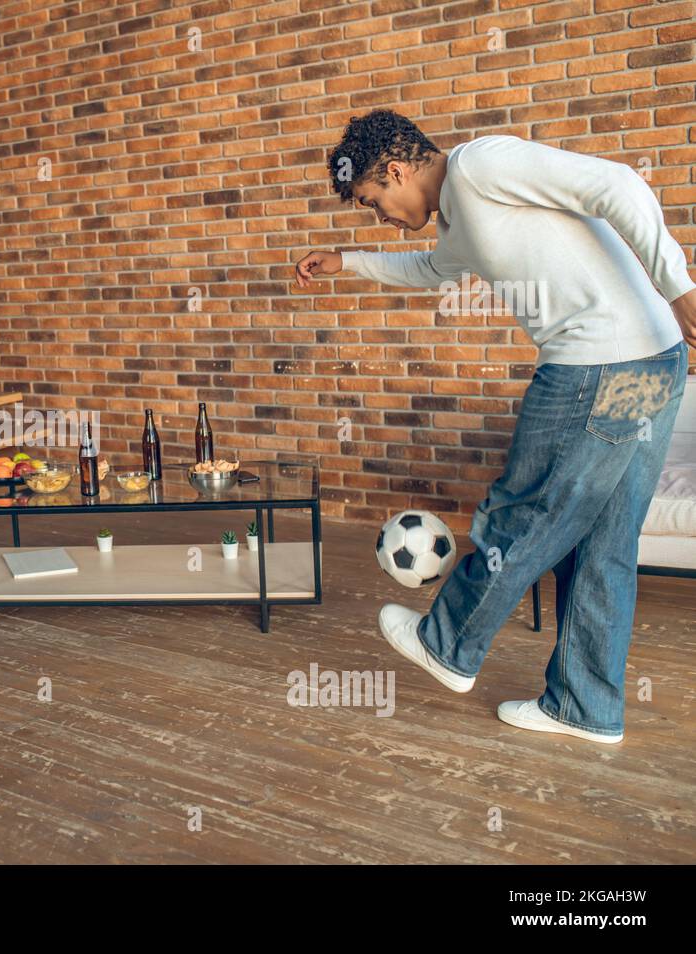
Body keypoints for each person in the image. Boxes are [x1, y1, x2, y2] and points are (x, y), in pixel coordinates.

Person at [295, 109, 696, 743]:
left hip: (595, 367)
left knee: (525, 513)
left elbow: (619, 185)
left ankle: (447, 644)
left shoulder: (482, 166)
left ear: (396, 171)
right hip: (654, 360)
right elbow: (430, 270)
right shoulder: (459, 214)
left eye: (376, 202)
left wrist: (679, 285)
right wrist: (349, 260)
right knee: (604, 544)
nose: (381, 216)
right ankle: (585, 708)